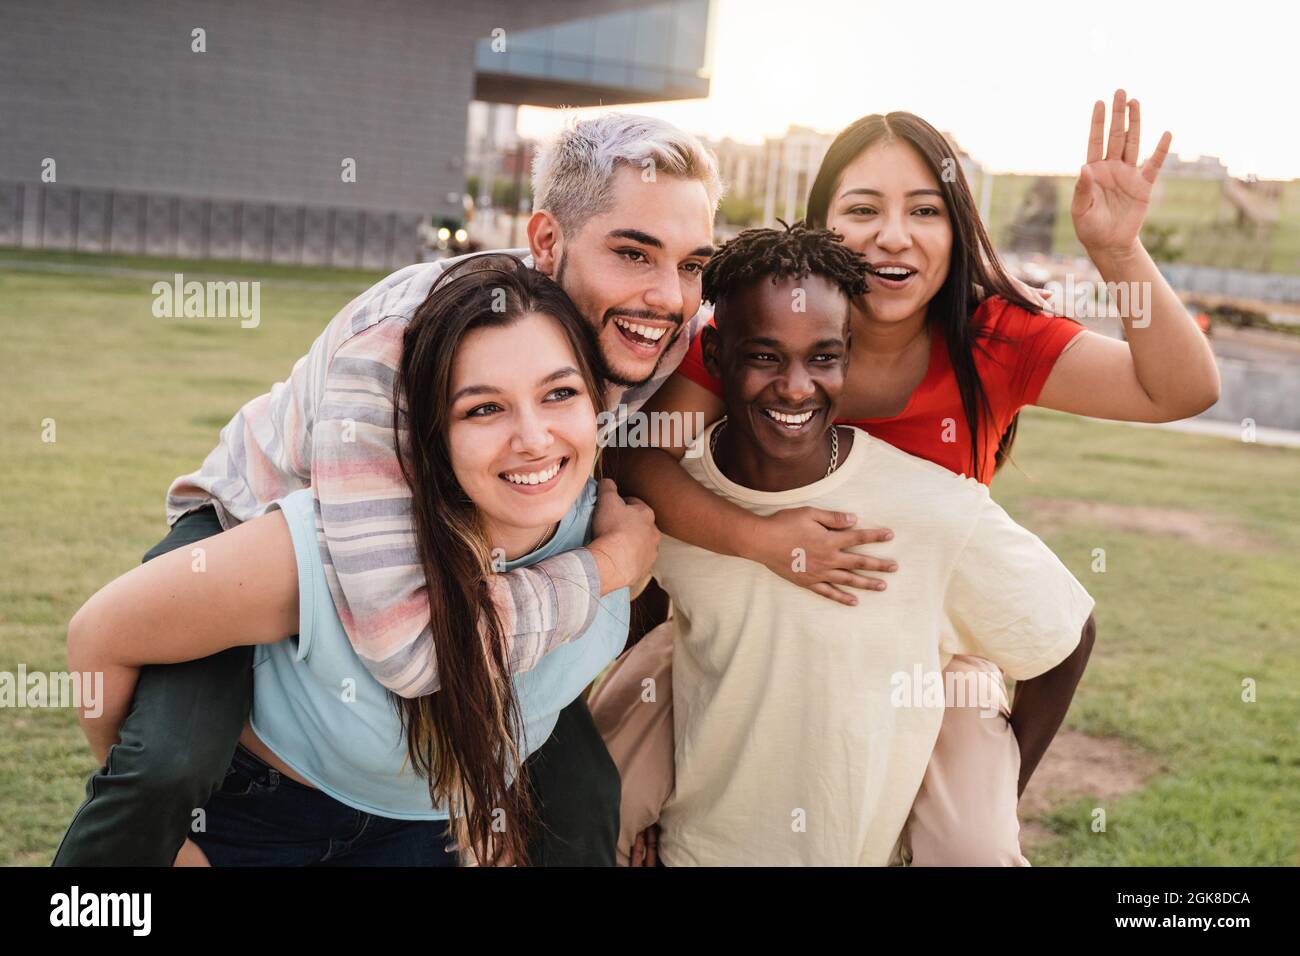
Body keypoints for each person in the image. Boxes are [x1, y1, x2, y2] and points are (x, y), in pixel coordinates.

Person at [53, 112, 721, 867]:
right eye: (634, 253)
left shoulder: (660, 325)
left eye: (692, 264)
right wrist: (608, 565)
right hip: (257, 531)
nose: (668, 296)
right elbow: (412, 647)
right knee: (168, 762)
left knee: (578, 798)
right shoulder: (404, 345)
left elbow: (804, 341)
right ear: (545, 242)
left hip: (469, 551)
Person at [601, 91, 1214, 865]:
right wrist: (762, 542)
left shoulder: (991, 337)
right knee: (596, 808)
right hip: (748, 632)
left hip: (926, 647)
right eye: (862, 209)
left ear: (956, 229)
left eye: (925, 210)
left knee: (971, 847)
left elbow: (1181, 390)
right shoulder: (764, 335)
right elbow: (639, 458)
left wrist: (1119, 251)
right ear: (821, 227)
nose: (893, 236)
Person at [66, 258, 643, 866]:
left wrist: (487, 798)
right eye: (483, 409)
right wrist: (168, 841)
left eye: (560, 393)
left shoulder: (615, 533)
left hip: (418, 834)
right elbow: (99, 636)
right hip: (255, 821)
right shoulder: (321, 552)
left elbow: (525, 690)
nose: (533, 438)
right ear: (430, 436)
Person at [593, 223, 1094, 865]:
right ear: (715, 358)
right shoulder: (676, 504)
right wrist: (642, 791)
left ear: (848, 356)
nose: (796, 387)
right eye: (765, 356)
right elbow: (649, 621)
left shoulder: (933, 509)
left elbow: (1067, 638)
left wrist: (998, 798)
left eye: (823, 358)